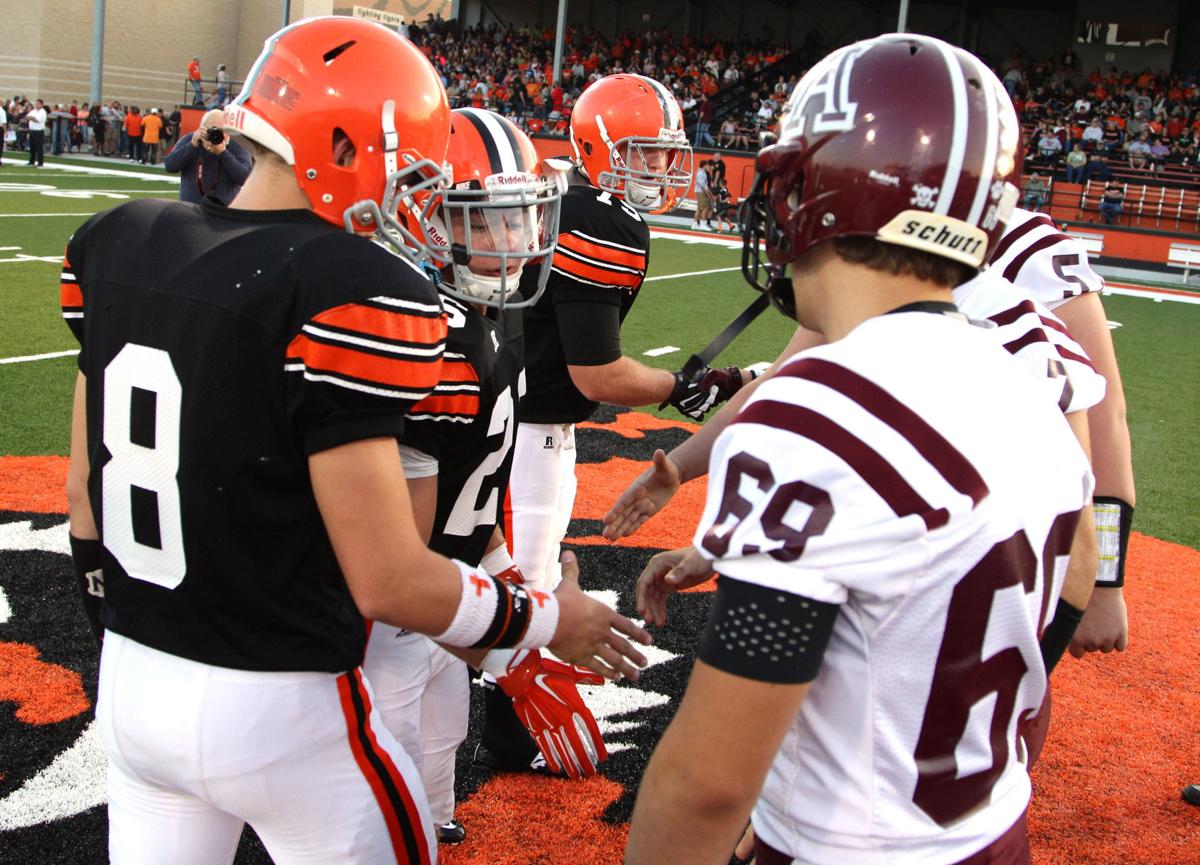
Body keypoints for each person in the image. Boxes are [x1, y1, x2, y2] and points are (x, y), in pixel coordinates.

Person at [61, 18, 648, 865]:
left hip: (134, 684)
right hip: (283, 710)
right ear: (345, 147)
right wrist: (550, 619)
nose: (420, 201)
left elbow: (85, 494)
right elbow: (388, 578)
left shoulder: (123, 239)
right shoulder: (348, 287)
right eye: (413, 173)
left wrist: (122, 630)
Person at [623, 34, 1092, 865]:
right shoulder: (1033, 377)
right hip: (988, 826)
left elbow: (707, 785)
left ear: (819, 189)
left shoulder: (816, 411)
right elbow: (1070, 570)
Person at [361, 106, 600, 846]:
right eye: (486, 222)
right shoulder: (418, 335)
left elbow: (479, 489)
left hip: (450, 583)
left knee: (442, 730)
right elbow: (402, 542)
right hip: (396, 597)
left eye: (523, 218)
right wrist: (514, 640)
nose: (518, 242)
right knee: (387, 744)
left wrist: (499, 576)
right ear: (423, 219)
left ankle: (429, 825)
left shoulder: (494, 317)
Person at [162, 108, 253, 205]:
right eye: (212, 129)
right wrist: (191, 146)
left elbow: (245, 178)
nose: (217, 134)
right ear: (202, 128)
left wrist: (223, 153)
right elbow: (170, 166)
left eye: (222, 130)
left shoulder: (237, 144)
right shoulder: (190, 140)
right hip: (191, 210)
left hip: (223, 212)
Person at [692, 158, 712, 229]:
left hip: (700, 191)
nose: (708, 166)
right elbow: (702, 184)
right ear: (704, 165)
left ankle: (695, 224)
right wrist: (706, 193)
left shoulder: (702, 172)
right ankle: (703, 224)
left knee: (699, 208)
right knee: (705, 208)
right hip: (701, 191)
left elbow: (704, 184)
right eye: (707, 165)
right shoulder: (701, 173)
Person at [26, 98, 46, 166]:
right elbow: (27, 117)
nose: (36, 105)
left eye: (38, 103)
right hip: (32, 131)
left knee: (39, 147)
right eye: (36, 103)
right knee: (32, 147)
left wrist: (31, 118)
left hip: (39, 132)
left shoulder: (43, 112)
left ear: (41, 104)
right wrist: (32, 118)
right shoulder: (34, 111)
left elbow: (37, 120)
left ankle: (40, 162)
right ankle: (32, 161)